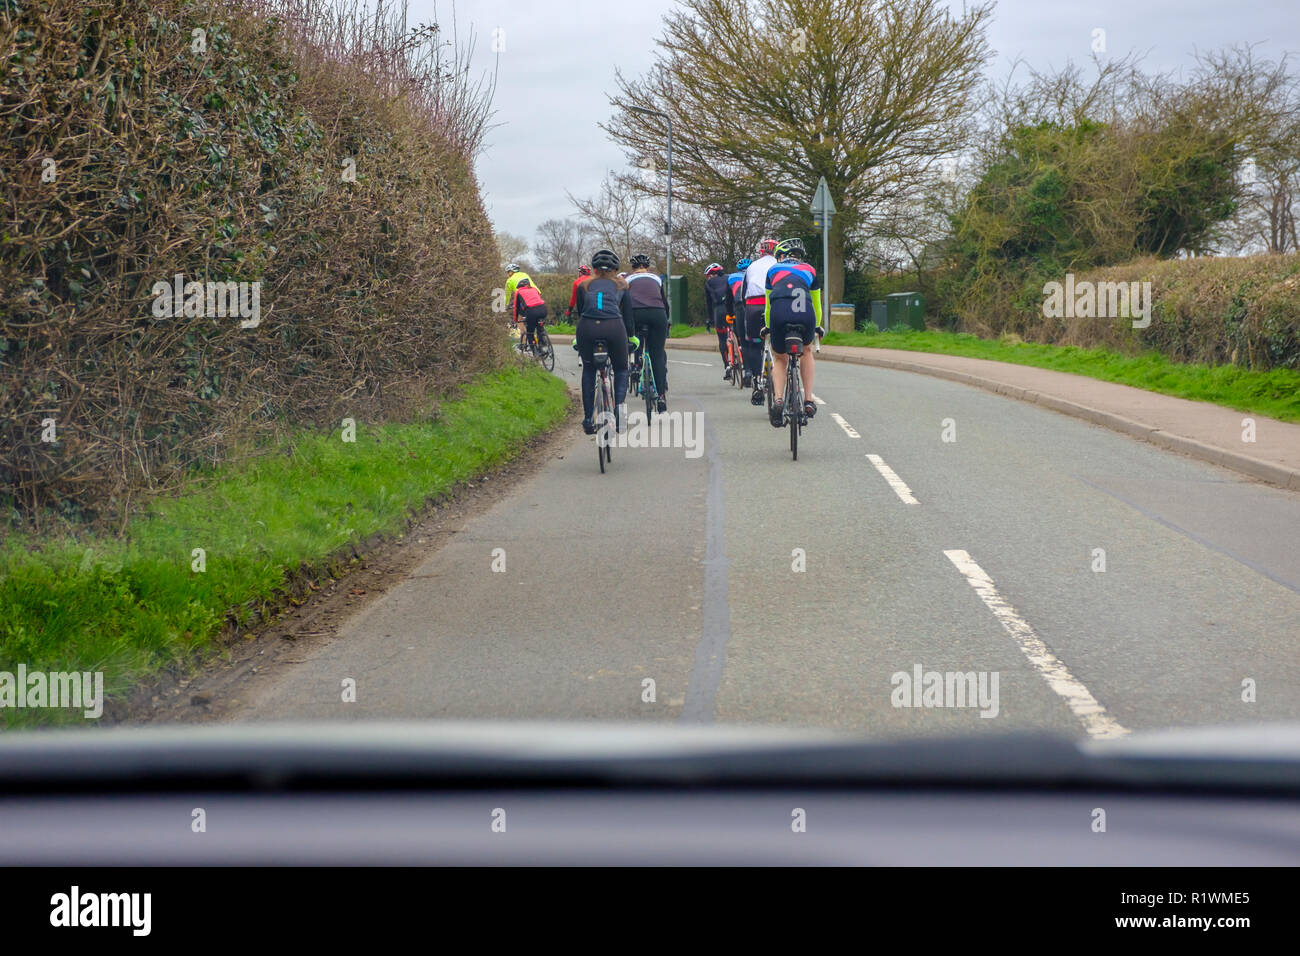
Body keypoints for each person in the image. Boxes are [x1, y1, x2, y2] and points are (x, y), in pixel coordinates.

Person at [573, 250, 635, 435]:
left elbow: (580, 311)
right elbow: (628, 317)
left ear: (593, 269)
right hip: (614, 327)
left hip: (587, 327)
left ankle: (587, 419)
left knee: (589, 369)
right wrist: (631, 337)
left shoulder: (583, 285)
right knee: (622, 369)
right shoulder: (622, 285)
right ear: (615, 269)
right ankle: (618, 412)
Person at [763, 237, 823, 427]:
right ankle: (808, 400)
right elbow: (817, 306)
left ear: (781, 256)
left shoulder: (772, 271)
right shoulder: (810, 271)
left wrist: (767, 327)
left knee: (780, 358)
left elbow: (767, 307)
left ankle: (779, 400)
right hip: (805, 315)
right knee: (806, 351)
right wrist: (817, 327)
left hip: (779, 315)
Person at [626, 253, 670, 413]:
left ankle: (636, 366)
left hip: (635, 313)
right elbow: (664, 303)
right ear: (648, 267)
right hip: (658, 314)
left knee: (635, 339)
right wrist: (667, 321)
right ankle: (661, 397)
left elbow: (623, 303)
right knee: (657, 355)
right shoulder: (656, 279)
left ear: (633, 268)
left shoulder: (627, 280)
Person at [742, 238, 778, 404]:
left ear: (761, 251)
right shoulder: (779, 265)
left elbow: (744, 293)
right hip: (775, 305)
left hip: (753, 307)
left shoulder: (751, 267)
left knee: (754, 343)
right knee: (779, 344)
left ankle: (757, 382)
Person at [722, 259, 750, 380]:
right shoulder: (754, 275)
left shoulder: (732, 278)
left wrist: (729, 314)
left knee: (743, 340)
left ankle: (748, 371)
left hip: (739, 307)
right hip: (755, 305)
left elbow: (728, 299)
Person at [509, 277, 547, 351]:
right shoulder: (534, 289)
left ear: (520, 287)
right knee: (539, 326)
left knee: (530, 333)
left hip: (531, 311)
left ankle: (535, 352)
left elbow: (516, 307)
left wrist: (515, 319)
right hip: (543, 309)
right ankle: (542, 340)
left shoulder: (518, 292)